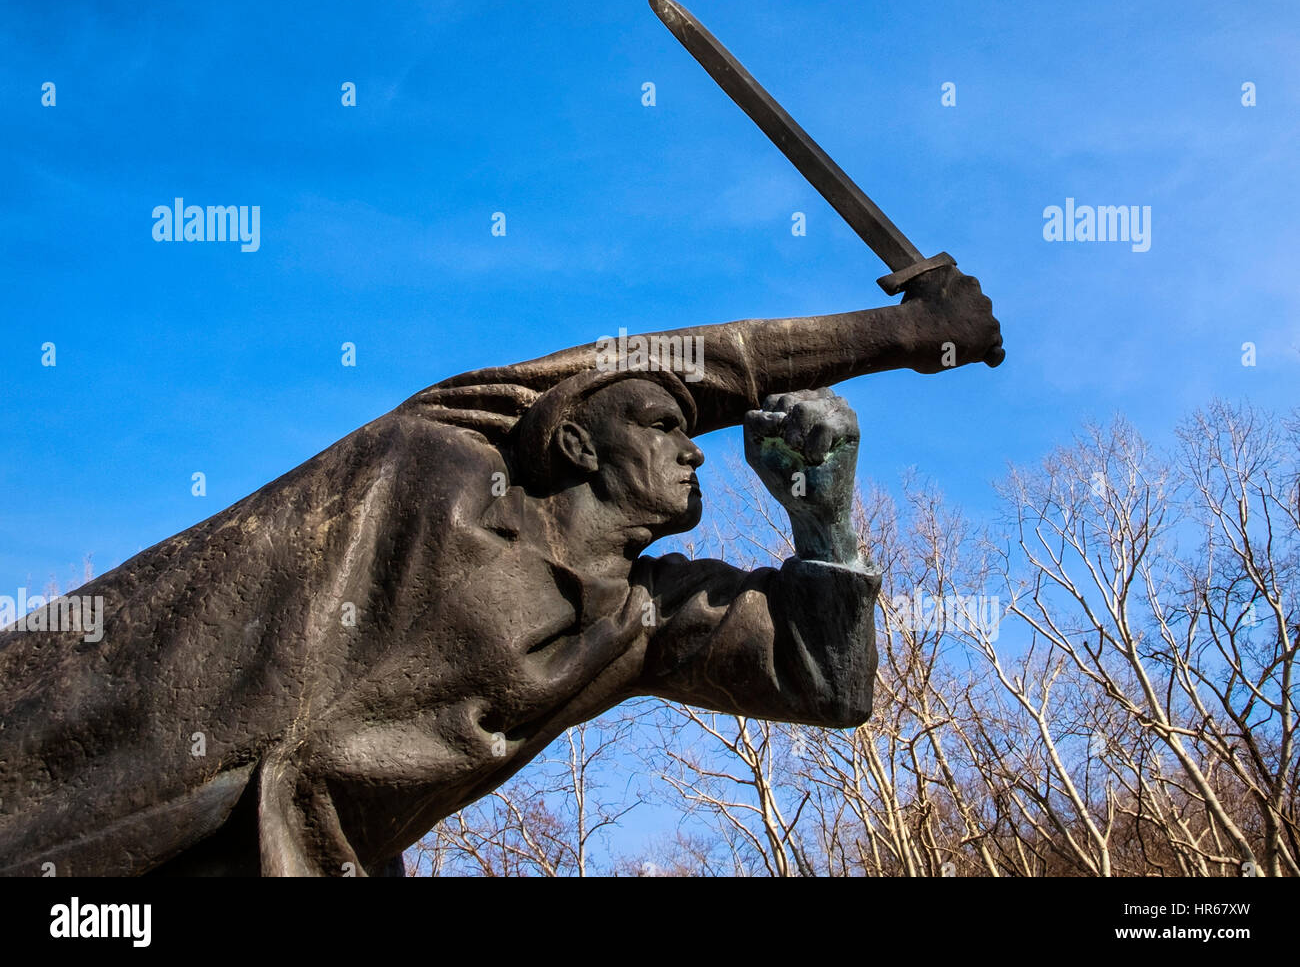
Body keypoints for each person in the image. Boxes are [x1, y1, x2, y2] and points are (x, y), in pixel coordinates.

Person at [0, 266, 1000, 875]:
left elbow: (831, 683)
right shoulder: (436, 460)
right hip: (114, 790)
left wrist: (823, 521)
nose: (697, 446)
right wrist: (901, 337)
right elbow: (683, 363)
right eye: (662, 426)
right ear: (571, 442)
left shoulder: (636, 619)